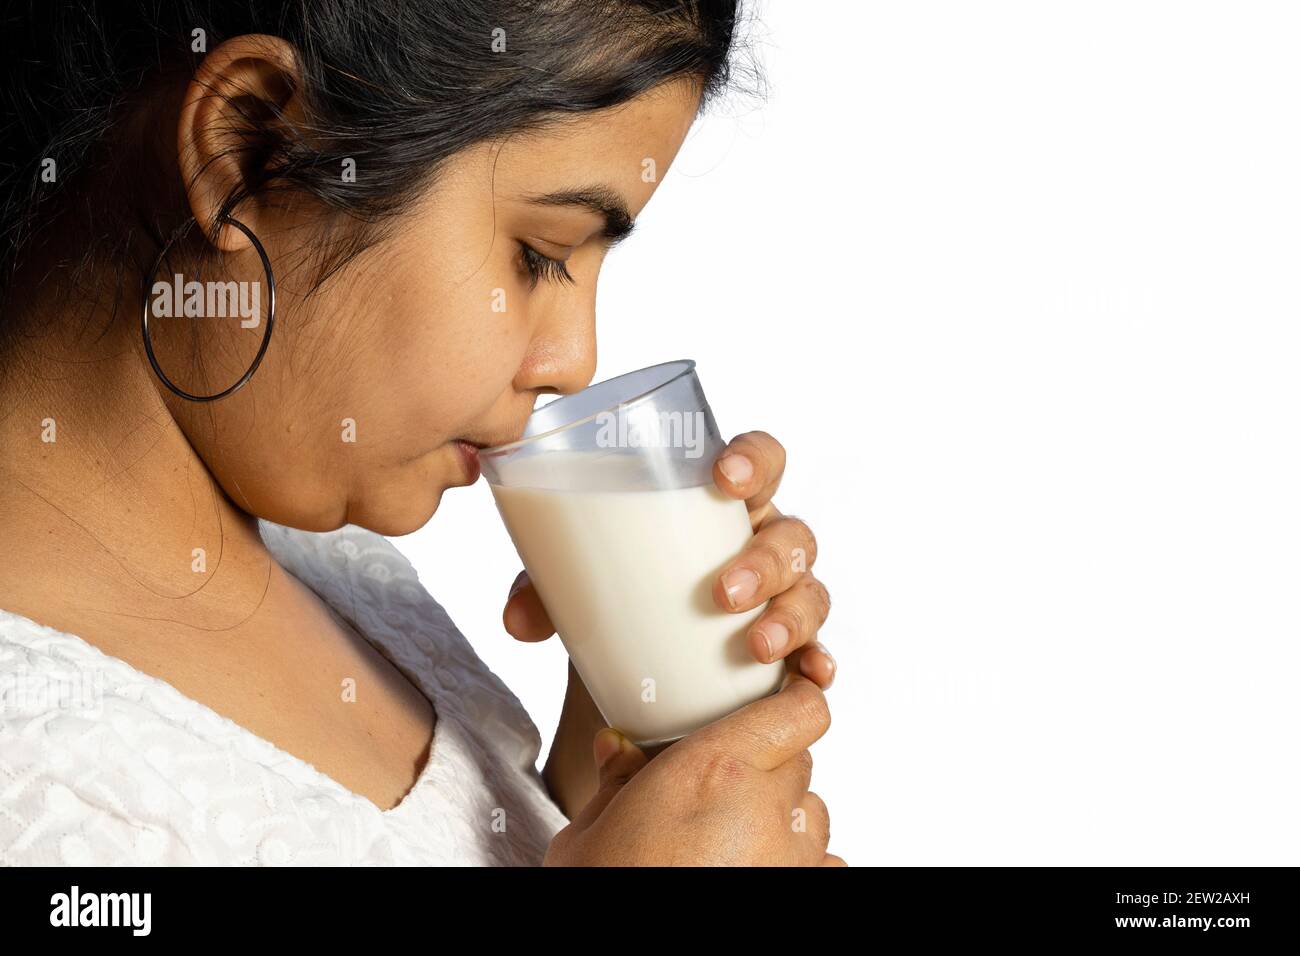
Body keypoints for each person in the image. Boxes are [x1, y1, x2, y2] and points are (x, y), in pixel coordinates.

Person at [0, 0, 841, 865]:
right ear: (246, 150)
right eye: (542, 252)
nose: (575, 360)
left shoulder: (339, 576)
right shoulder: (28, 766)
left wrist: (641, 752)